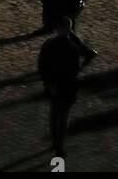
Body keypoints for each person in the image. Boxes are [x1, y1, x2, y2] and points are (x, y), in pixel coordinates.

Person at [37, 15, 96, 156]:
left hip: (63, 85)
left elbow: (42, 67)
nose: (66, 31)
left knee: (59, 115)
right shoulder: (69, 45)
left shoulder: (50, 45)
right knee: (59, 115)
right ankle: (57, 144)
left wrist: (48, 83)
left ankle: (57, 144)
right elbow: (43, 67)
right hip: (65, 85)